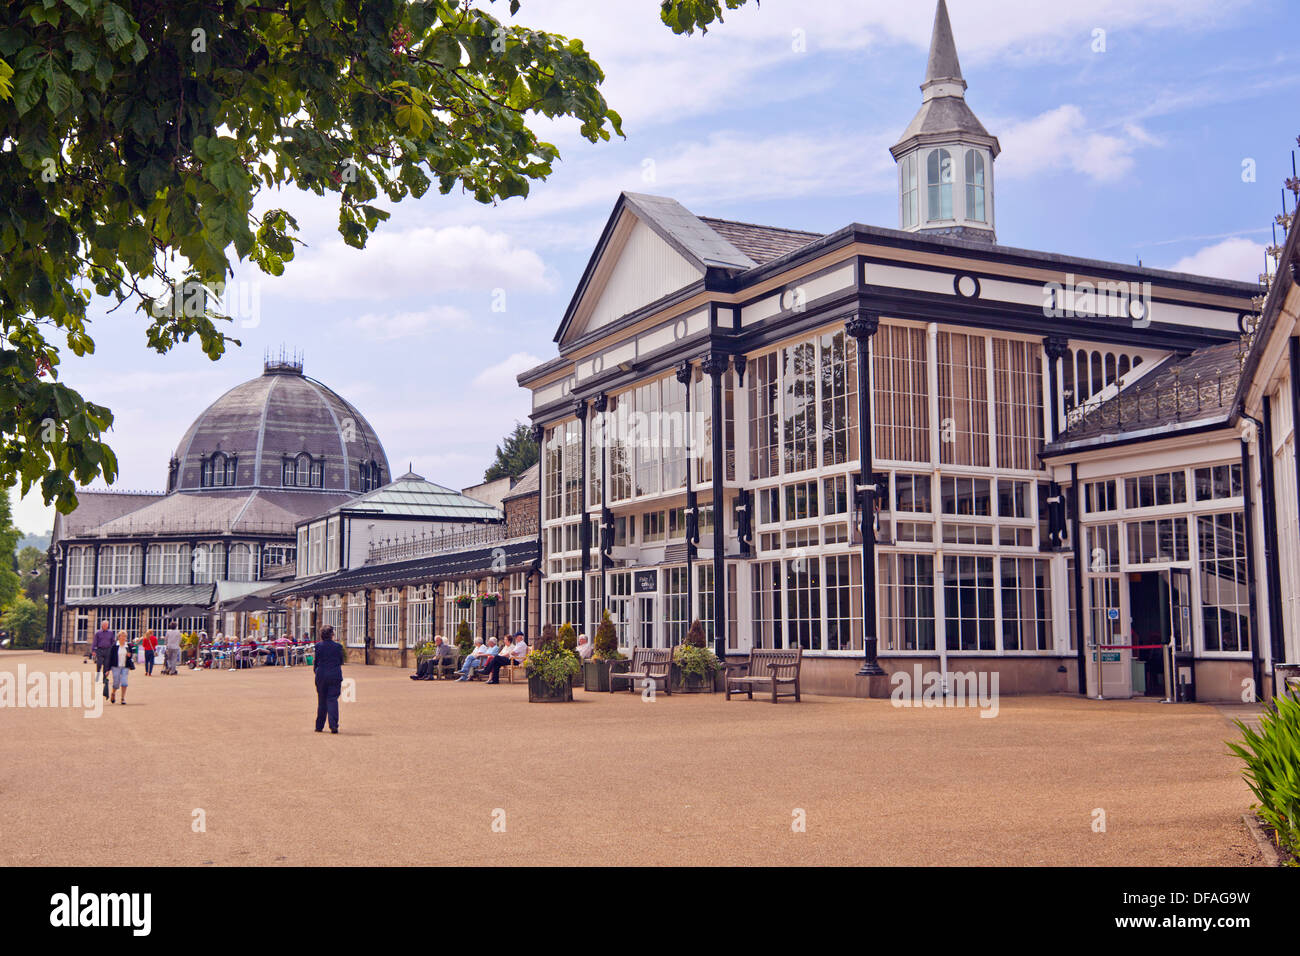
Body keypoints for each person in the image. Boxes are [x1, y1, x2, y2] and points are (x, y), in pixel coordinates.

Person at [313, 625, 345, 734]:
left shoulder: (318, 646)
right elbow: (341, 661)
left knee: (321, 701)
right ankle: (333, 725)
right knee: (332, 700)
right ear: (332, 634)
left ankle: (319, 726)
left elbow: (316, 661)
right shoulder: (338, 647)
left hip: (321, 674)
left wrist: (316, 671)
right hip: (334, 675)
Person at [107, 631, 135, 704]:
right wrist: (107, 669)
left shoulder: (128, 646)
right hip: (115, 666)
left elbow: (131, 654)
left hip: (125, 666)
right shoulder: (114, 646)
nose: (123, 638)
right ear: (118, 637)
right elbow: (109, 657)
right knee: (116, 683)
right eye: (121, 636)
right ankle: (113, 693)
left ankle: (123, 698)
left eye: (125, 636)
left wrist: (130, 655)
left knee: (124, 682)